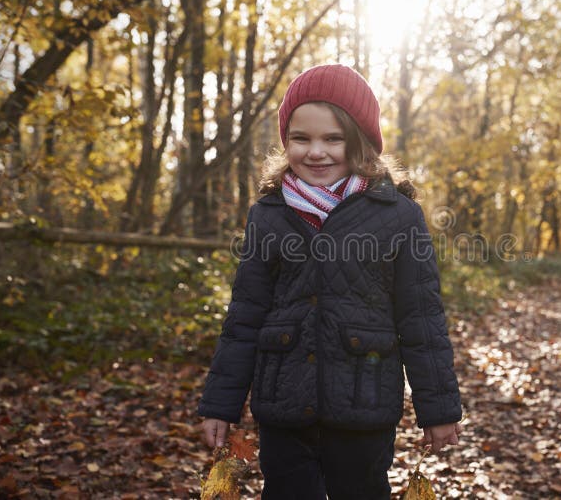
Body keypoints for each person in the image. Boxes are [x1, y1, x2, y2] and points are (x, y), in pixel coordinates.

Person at [198, 63, 462, 499]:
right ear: (286, 143)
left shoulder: (398, 215)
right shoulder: (269, 214)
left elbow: (421, 317)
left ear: (358, 141)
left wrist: (439, 408)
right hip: (284, 403)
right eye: (301, 138)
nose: (315, 151)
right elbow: (245, 316)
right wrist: (220, 404)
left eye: (332, 139)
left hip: (364, 404)